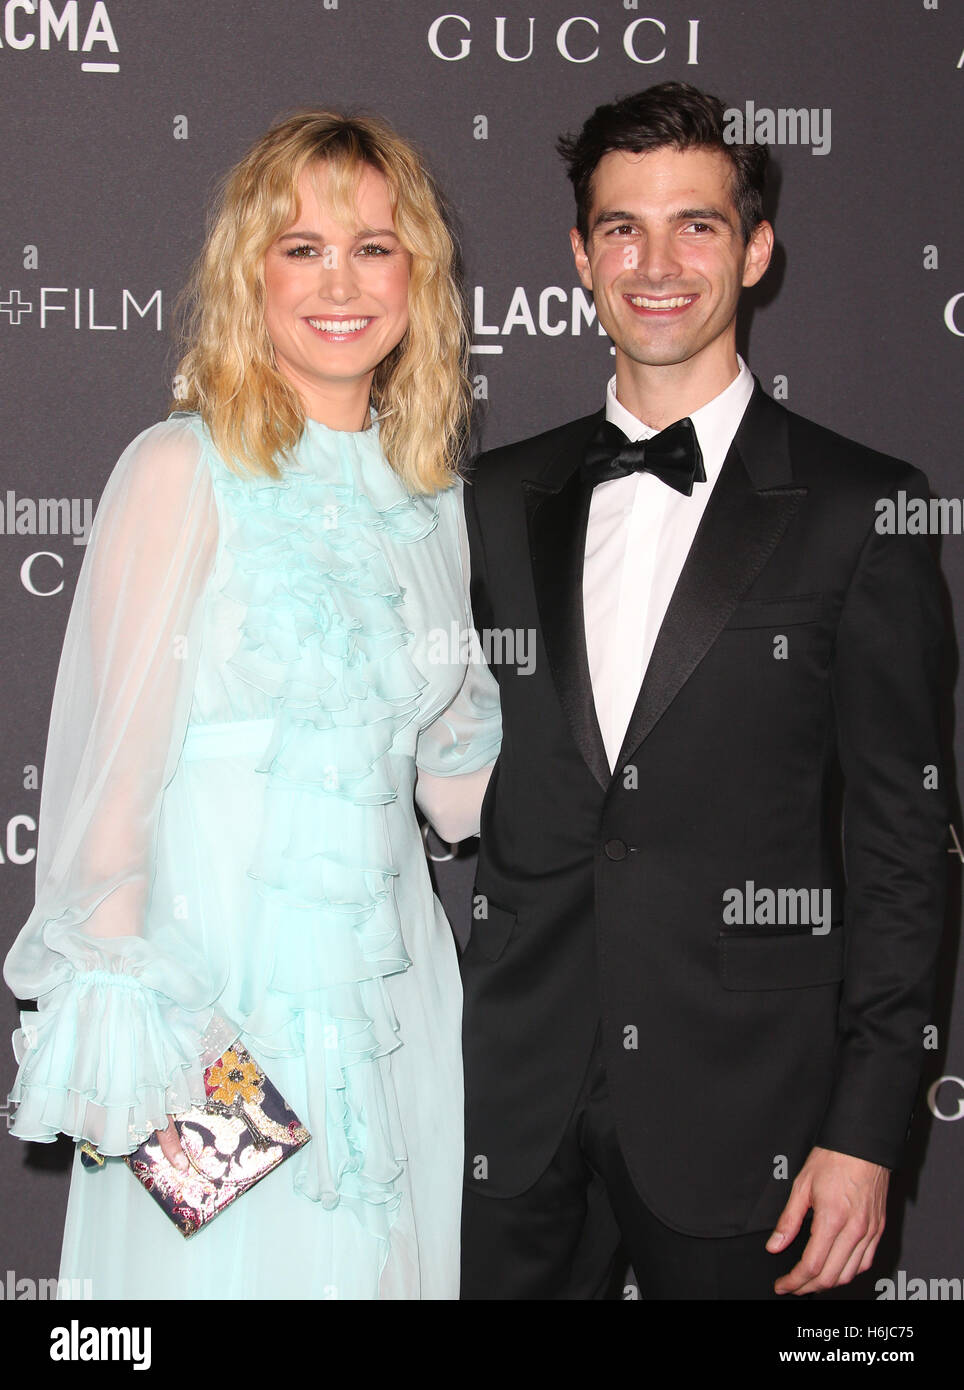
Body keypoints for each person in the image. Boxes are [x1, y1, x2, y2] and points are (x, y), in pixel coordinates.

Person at [458, 81, 948, 1300]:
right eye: (622, 227)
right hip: (511, 1112)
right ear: (580, 255)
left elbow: (903, 842)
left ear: (757, 249)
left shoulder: (861, 506)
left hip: (761, 1127)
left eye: (698, 224)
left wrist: (869, 1128)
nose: (657, 262)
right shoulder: (491, 498)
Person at [3, 108, 500, 1300]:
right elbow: (104, 818)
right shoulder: (179, 469)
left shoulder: (428, 497)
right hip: (213, 1021)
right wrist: (168, 1083)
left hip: (391, 1017)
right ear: (249, 274)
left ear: (416, 277)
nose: (341, 282)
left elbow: (453, 781)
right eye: (302, 248)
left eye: (375, 247)